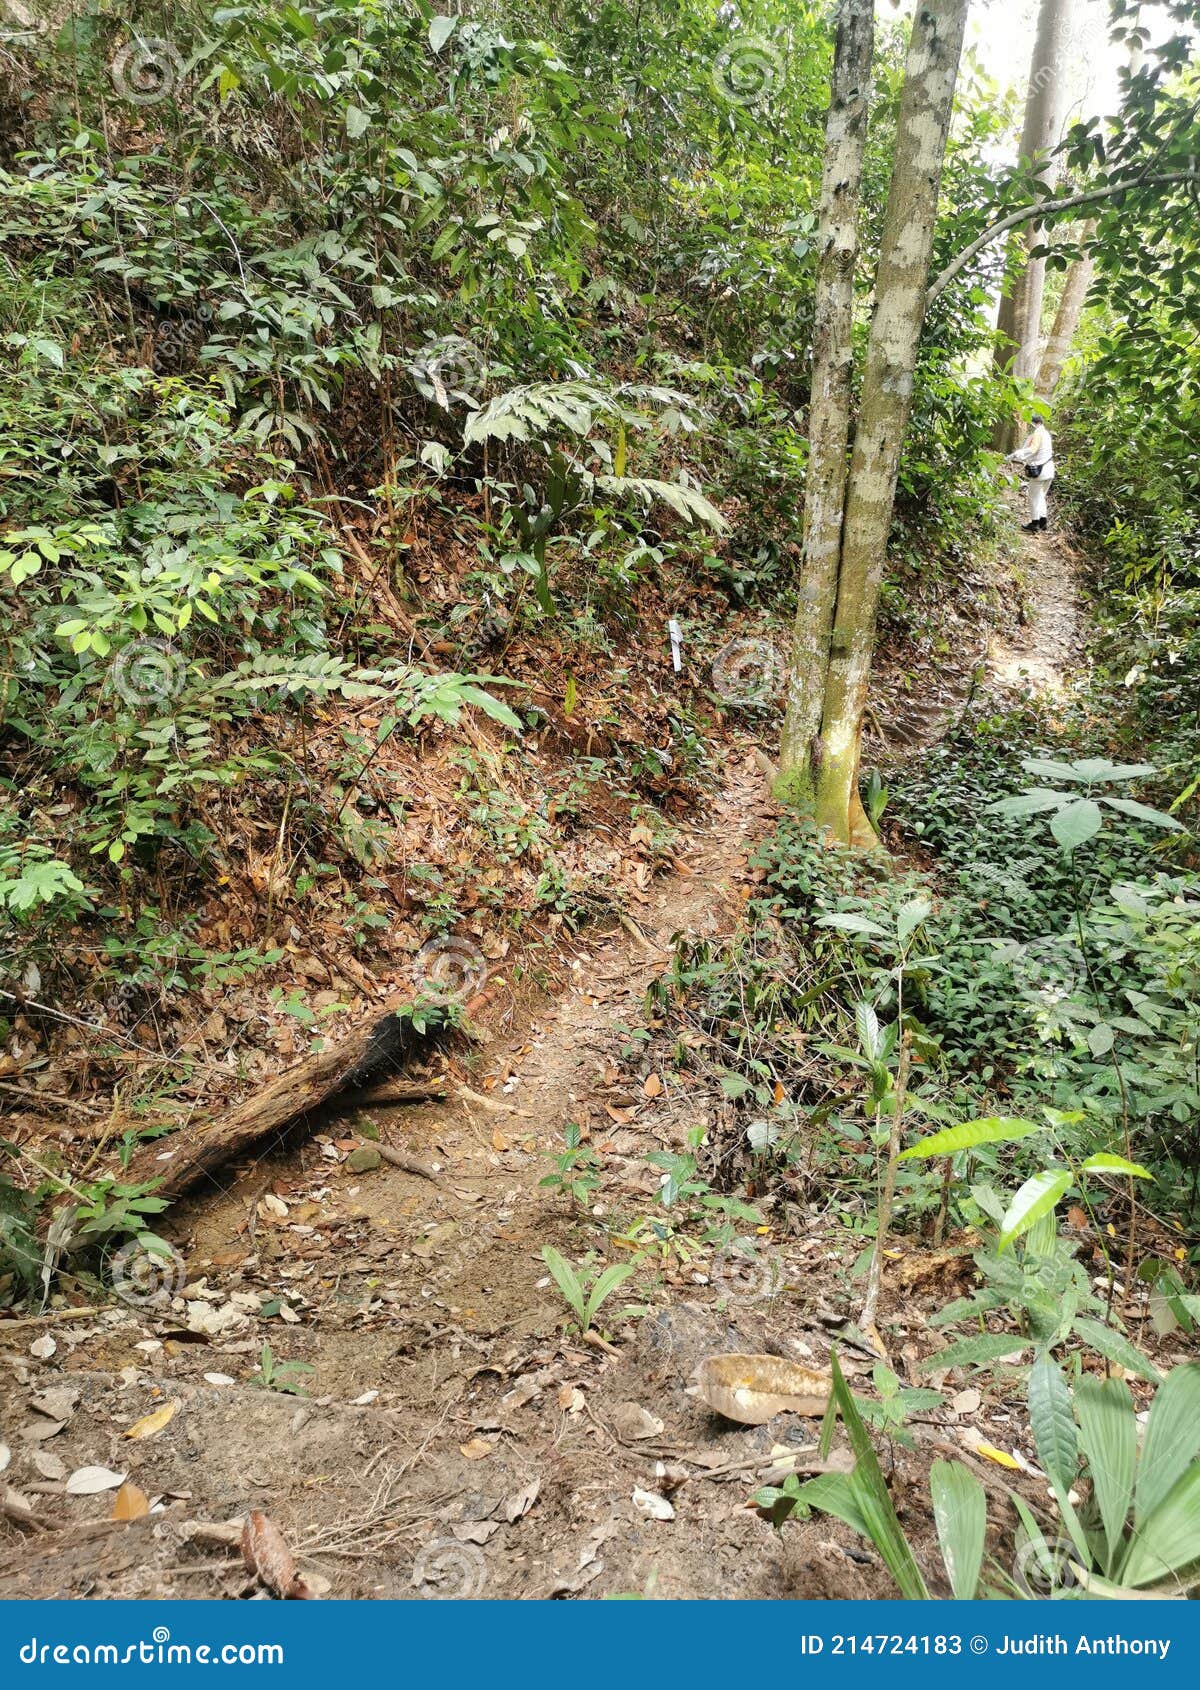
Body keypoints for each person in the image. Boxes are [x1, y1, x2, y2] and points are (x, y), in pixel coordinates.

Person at [1007, 413, 1055, 533]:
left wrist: (1018, 453)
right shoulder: (1046, 434)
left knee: (1034, 497)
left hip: (1040, 471)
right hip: (1049, 470)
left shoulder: (1038, 434)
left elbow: (1033, 449)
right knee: (1041, 496)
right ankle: (1043, 522)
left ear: (1035, 423)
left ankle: (1034, 523)